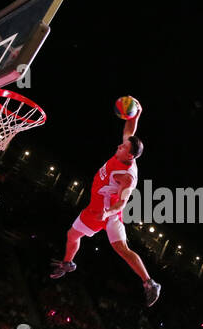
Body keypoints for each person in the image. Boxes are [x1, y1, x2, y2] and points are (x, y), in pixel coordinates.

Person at [49, 103, 160, 306]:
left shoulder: (127, 177)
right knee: (72, 235)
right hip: (95, 209)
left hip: (109, 213)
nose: (119, 146)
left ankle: (150, 283)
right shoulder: (126, 150)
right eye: (122, 144)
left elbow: (121, 203)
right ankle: (67, 263)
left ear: (130, 155)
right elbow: (129, 129)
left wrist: (108, 211)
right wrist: (137, 112)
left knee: (121, 248)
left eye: (123, 147)